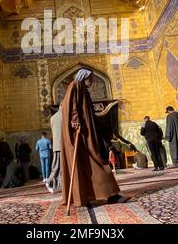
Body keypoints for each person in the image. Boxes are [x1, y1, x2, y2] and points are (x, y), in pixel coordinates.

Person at [61, 68, 129, 207]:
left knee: (89, 164)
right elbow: (73, 107)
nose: (92, 81)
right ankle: (111, 195)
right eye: (90, 78)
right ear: (84, 77)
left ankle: (89, 196)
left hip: (86, 133)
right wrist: (76, 121)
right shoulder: (75, 85)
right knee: (97, 161)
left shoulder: (82, 88)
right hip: (81, 134)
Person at [46, 103, 63, 193]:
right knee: (59, 167)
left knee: (56, 166)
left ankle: (57, 184)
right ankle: (50, 182)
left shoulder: (52, 118)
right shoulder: (65, 116)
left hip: (56, 145)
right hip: (63, 145)